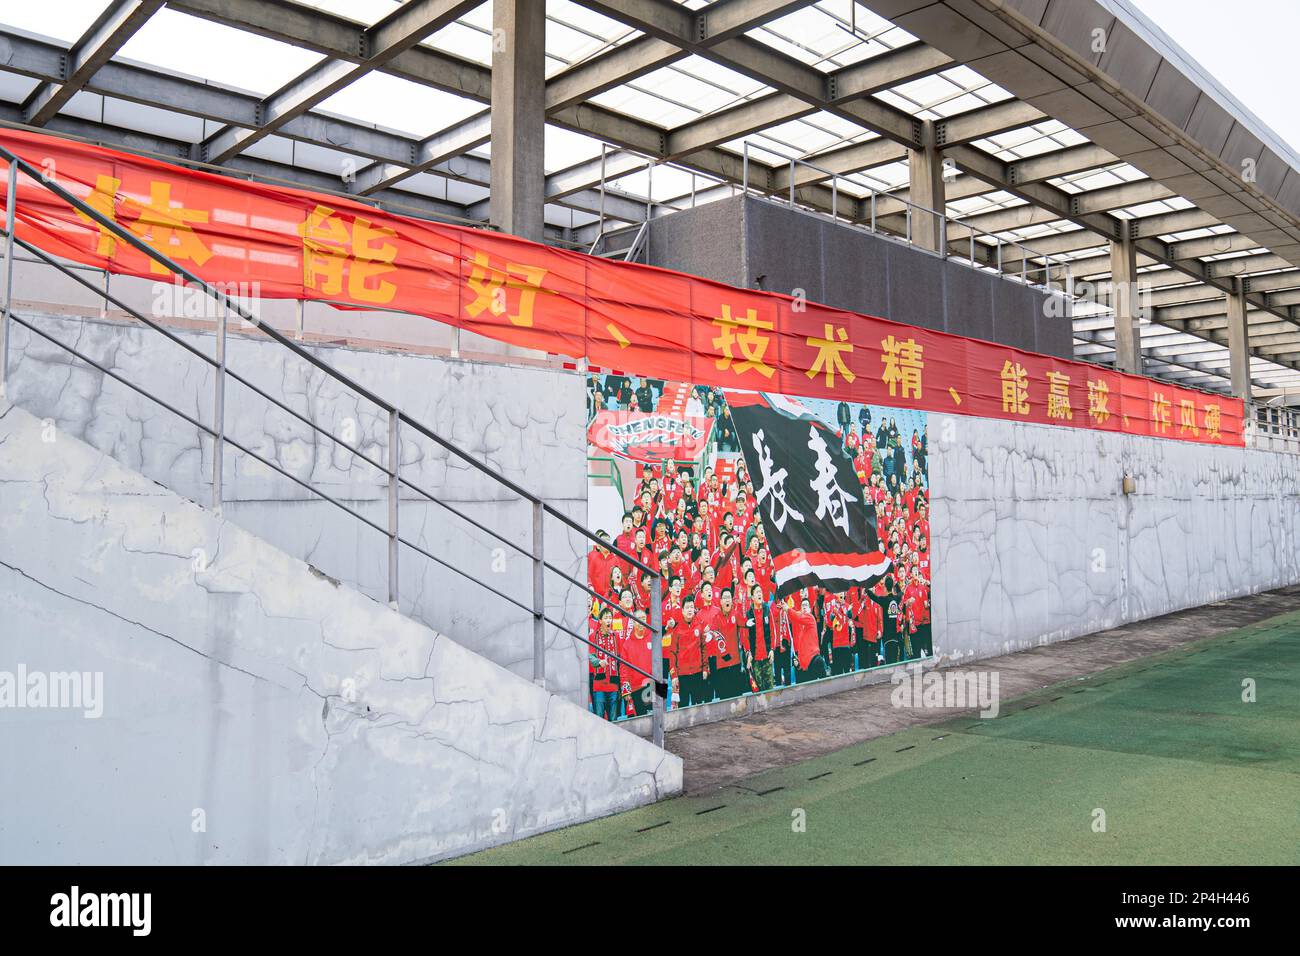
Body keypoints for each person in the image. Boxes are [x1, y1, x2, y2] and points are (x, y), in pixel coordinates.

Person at [673, 595, 708, 707]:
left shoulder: (699, 626)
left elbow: (704, 648)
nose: (689, 610)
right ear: (682, 610)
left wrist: (705, 668)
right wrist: (674, 675)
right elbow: (672, 653)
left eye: (691, 607)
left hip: (697, 673)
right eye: (687, 607)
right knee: (683, 705)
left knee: (697, 704)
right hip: (683, 674)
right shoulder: (677, 630)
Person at [589, 606, 620, 721]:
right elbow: (590, 655)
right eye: (606, 618)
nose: (608, 620)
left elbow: (620, 658)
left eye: (610, 618)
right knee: (599, 719)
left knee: (613, 720)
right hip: (599, 684)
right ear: (600, 621)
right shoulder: (593, 636)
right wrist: (598, 662)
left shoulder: (616, 636)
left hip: (613, 683)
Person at [787, 597, 826, 683]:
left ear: (810, 608)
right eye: (802, 605)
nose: (804, 607)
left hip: (815, 661)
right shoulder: (802, 631)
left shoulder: (811, 618)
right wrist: (798, 664)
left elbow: (797, 616)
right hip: (806, 667)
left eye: (806, 605)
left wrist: (788, 609)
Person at [744, 583, 775, 692]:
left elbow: (772, 631)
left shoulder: (767, 610)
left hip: (767, 657)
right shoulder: (749, 614)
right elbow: (745, 636)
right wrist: (748, 653)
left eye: (760, 592)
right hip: (755, 659)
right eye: (757, 592)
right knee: (758, 693)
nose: (759, 594)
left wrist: (772, 649)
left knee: (770, 690)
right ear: (752, 597)